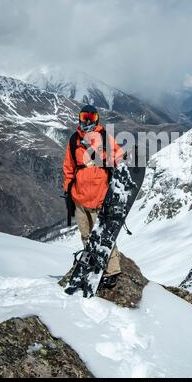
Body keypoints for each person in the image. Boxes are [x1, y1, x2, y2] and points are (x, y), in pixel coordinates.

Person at [63, 105, 123, 288]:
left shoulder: (104, 138)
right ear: (79, 118)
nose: (87, 120)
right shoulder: (74, 140)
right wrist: (68, 191)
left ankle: (112, 270)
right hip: (80, 199)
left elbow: (119, 156)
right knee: (86, 235)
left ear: (96, 118)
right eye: (84, 116)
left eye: (91, 116)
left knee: (105, 236)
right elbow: (68, 168)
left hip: (100, 198)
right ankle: (91, 262)